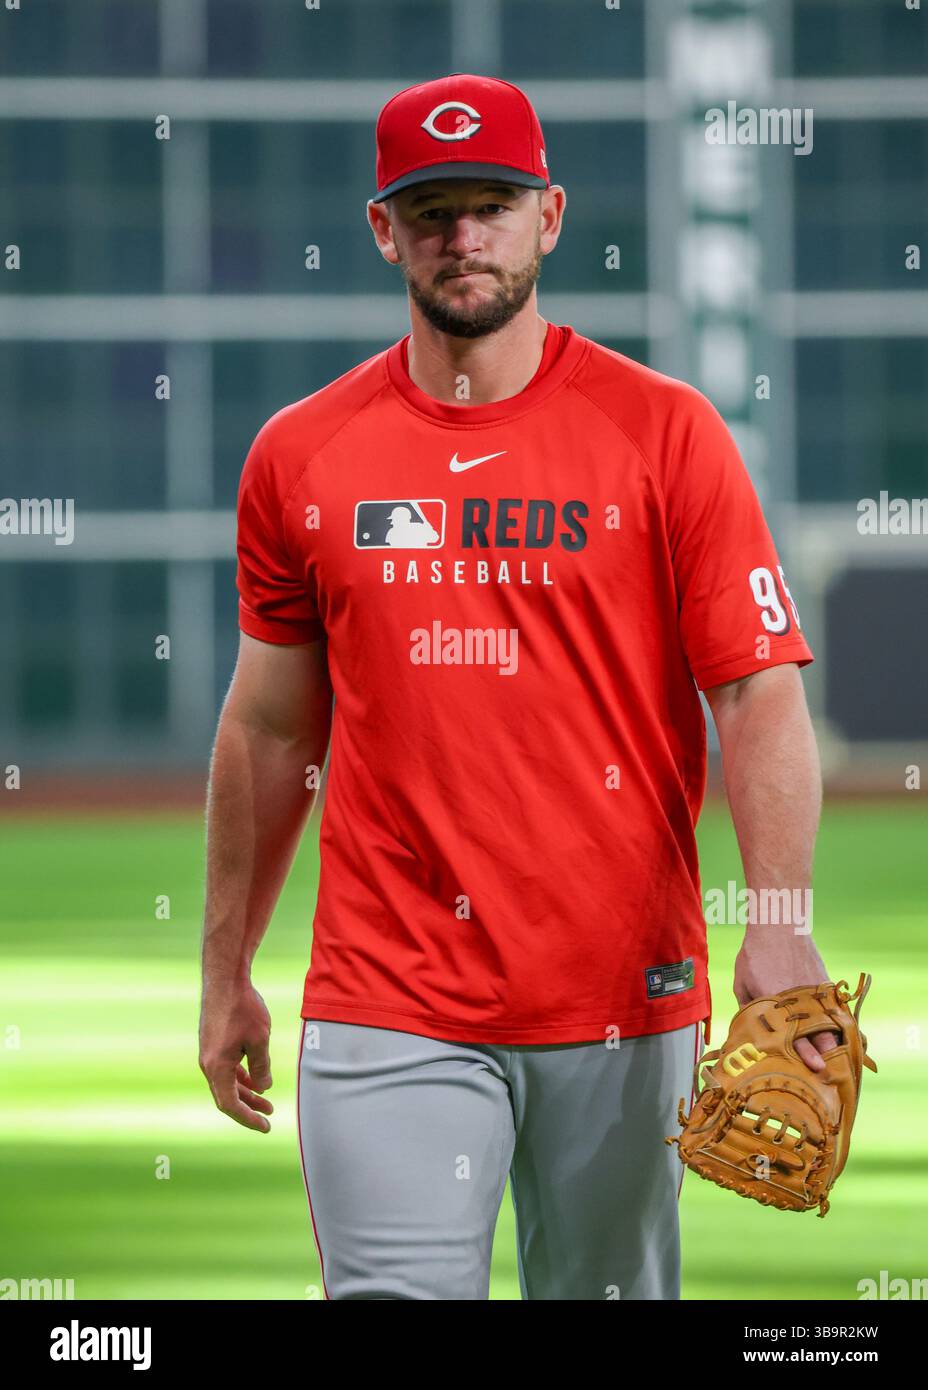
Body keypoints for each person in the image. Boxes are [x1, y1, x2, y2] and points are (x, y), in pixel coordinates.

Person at [199, 74, 837, 1301]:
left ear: (549, 216)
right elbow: (271, 730)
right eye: (430, 208)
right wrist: (225, 968)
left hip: (622, 990)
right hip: (387, 991)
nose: (462, 236)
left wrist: (780, 915)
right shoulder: (301, 452)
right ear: (383, 229)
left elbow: (757, 694)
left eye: (489, 204)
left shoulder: (667, 434)